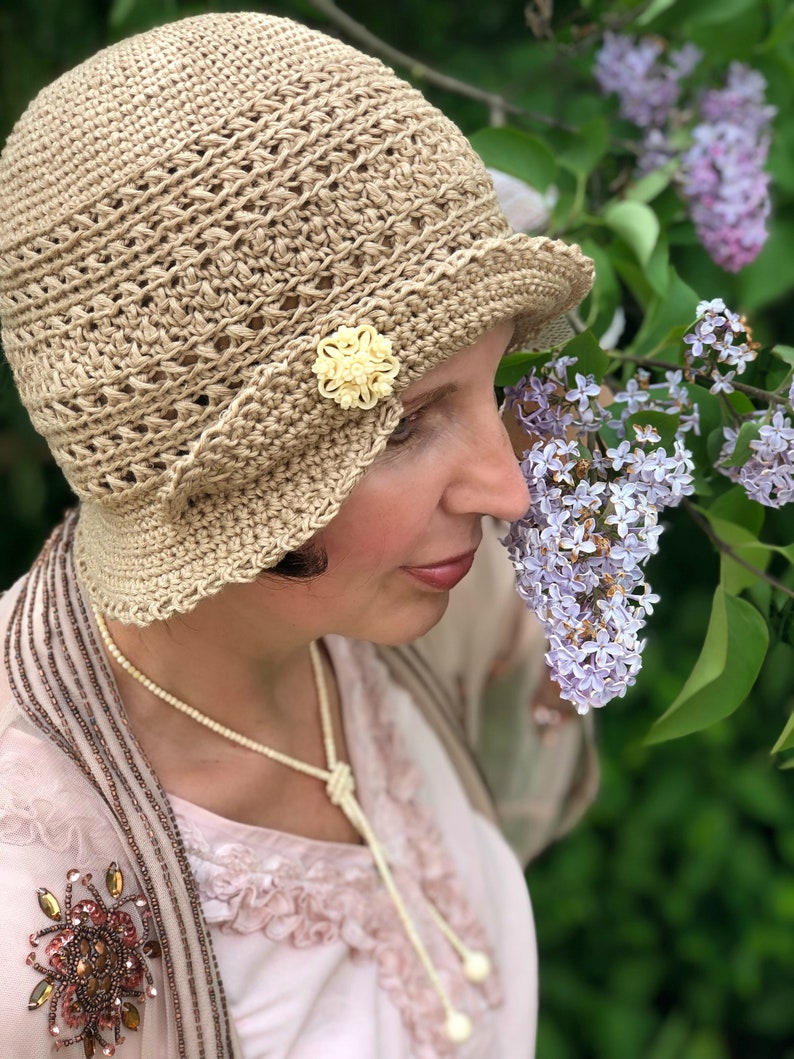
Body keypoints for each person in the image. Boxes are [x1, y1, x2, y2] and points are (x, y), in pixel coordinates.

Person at [0, 12, 596, 1058]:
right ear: (226, 485)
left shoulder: (419, 616)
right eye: (406, 423)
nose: (507, 491)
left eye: (493, 386)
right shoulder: (34, 915)